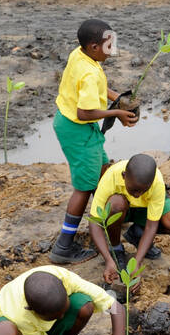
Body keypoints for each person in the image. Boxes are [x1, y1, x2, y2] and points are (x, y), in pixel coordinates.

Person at [49, 19, 137, 264]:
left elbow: (97, 87)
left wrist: (117, 98)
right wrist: (117, 113)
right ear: (94, 46)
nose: (113, 49)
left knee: (101, 172)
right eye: (109, 45)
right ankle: (63, 247)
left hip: (74, 125)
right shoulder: (88, 71)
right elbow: (84, 112)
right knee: (84, 187)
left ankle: (111, 220)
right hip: (78, 127)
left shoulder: (81, 55)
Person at [89, 154, 170, 283]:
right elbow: (94, 221)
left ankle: (137, 233)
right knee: (116, 203)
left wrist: (137, 261)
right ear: (124, 176)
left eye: (143, 190)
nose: (137, 195)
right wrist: (108, 259)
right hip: (122, 210)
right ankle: (116, 248)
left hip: (146, 210)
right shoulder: (111, 176)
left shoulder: (156, 182)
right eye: (134, 190)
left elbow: (151, 225)